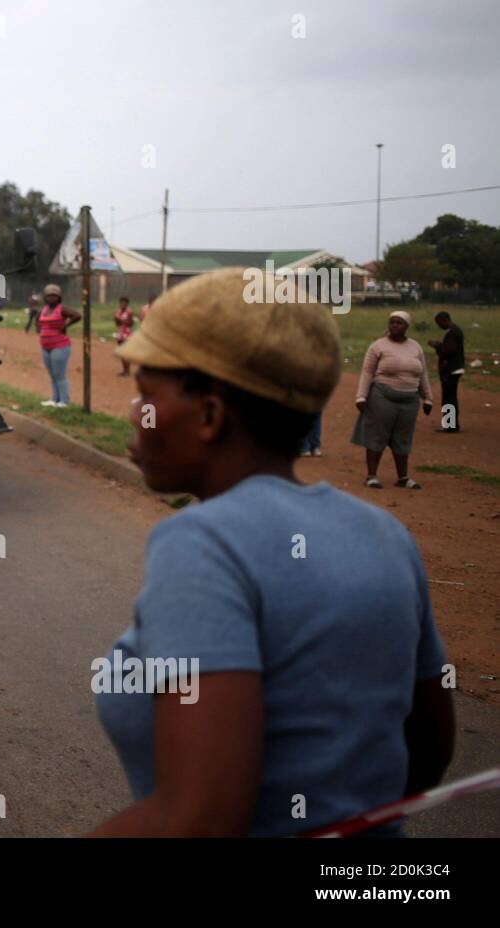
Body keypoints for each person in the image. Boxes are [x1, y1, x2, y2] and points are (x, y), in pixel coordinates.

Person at [91, 268, 454, 837]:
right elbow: (427, 755)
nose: (133, 413)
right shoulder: (384, 535)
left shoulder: (203, 542)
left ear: (210, 415)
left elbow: (201, 819)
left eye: (147, 395)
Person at [351, 310, 433, 489]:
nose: (395, 325)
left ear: (407, 326)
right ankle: (372, 476)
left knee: (403, 438)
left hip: (410, 400)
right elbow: (367, 372)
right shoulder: (378, 346)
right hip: (382, 397)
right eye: (392, 322)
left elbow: (423, 373)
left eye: (399, 323)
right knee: (377, 435)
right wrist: (361, 396)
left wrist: (428, 398)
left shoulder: (415, 347)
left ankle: (403, 477)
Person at [36, 283, 81, 408]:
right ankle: (54, 399)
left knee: (59, 374)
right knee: (52, 374)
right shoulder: (43, 310)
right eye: (49, 296)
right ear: (45, 297)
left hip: (60, 346)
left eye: (54, 296)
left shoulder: (62, 309)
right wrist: (40, 330)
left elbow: (77, 315)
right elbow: (37, 320)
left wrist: (65, 325)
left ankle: (64, 400)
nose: (51, 298)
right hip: (45, 346)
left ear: (59, 297)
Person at [428, 310, 465, 433]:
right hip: (455, 368)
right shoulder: (455, 330)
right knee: (450, 397)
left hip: (451, 369)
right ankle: (452, 424)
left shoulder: (452, 332)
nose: (439, 326)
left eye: (439, 323)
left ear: (444, 320)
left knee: (448, 398)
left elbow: (449, 351)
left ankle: (450, 425)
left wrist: (437, 346)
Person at [114, 297, 135, 376]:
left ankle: (127, 371)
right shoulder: (118, 312)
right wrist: (116, 319)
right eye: (121, 303)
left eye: (124, 303)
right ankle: (124, 370)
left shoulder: (129, 312)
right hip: (120, 333)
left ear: (127, 304)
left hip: (127, 334)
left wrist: (120, 320)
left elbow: (131, 323)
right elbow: (117, 324)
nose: (122, 304)